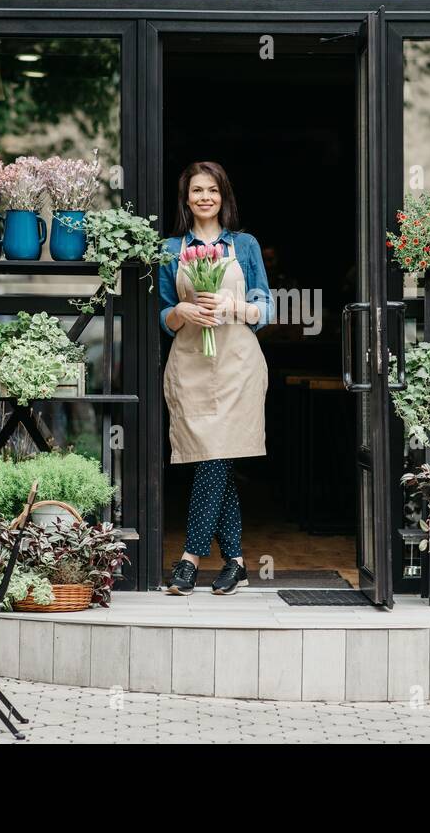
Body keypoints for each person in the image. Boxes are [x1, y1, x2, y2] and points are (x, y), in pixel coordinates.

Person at [158, 161, 272, 595]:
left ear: (223, 196)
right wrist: (181, 312)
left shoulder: (244, 245)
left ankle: (189, 558)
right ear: (186, 199)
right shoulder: (171, 249)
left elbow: (266, 307)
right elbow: (163, 314)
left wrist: (235, 308)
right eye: (196, 191)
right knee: (211, 456)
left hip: (237, 364)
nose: (204, 197)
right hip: (190, 362)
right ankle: (237, 562)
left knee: (216, 457)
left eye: (212, 190)